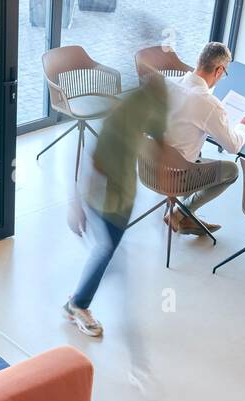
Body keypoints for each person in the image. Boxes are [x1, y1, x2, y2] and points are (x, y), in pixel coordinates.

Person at [63, 73, 168, 337]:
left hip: (125, 195)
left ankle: (77, 300)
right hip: (107, 199)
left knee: (108, 251)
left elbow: (159, 138)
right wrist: (78, 205)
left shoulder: (149, 107)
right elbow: (93, 163)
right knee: (106, 250)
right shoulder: (119, 120)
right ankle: (77, 304)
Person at [162, 41, 245, 235]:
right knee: (231, 170)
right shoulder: (208, 104)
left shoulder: (167, 83)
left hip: (150, 165)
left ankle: (187, 215)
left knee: (196, 147)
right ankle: (180, 213)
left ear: (199, 60)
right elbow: (233, 146)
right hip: (176, 176)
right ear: (219, 70)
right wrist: (242, 127)